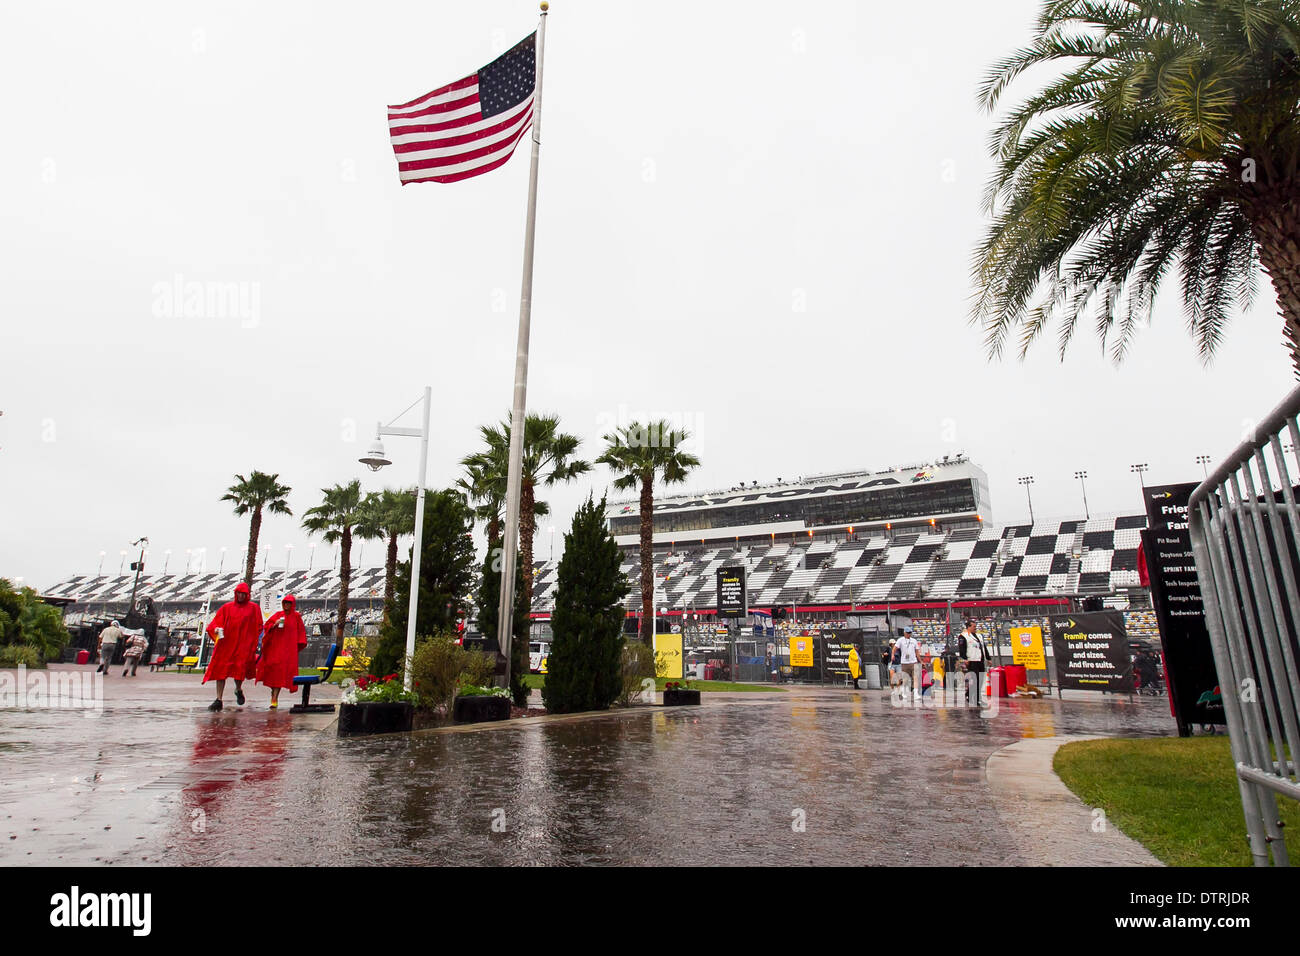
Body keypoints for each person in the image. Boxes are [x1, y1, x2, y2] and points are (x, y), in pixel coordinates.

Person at [202, 582, 264, 711]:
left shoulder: (253, 608)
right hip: (226, 645)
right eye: (239, 593)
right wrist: (216, 630)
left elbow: (258, 625)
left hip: (242, 646)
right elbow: (215, 623)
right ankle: (219, 699)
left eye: (243, 594)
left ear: (247, 595)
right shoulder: (227, 607)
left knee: (239, 671)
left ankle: (238, 689)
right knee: (221, 671)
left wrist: (250, 641)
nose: (241, 596)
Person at [256, 594, 308, 709]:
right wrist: (274, 625)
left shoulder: (296, 616)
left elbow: (301, 633)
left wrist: (296, 647)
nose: (286, 605)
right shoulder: (278, 615)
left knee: (281, 675)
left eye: (289, 603)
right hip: (275, 650)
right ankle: (274, 694)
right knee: (274, 673)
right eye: (285, 603)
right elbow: (267, 626)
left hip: (288, 651)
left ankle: (274, 697)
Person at [958, 619, 991, 706]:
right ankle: (975, 699)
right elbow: (962, 649)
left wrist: (988, 658)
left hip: (980, 660)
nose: (975, 628)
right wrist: (965, 659)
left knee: (980, 680)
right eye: (974, 626)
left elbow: (984, 648)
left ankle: (970, 695)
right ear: (968, 627)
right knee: (975, 680)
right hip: (972, 660)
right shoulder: (963, 636)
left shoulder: (979, 636)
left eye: (976, 626)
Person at [896, 627, 921, 699]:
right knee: (905, 678)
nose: (909, 634)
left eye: (910, 633)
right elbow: (895, 648)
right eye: (907, 633)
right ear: (904, 633)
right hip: (904, 662)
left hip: (913, 661)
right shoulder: (900, 640)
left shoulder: (914, 641)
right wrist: (892, 655)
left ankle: (916, 693)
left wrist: (920, 661)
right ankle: (903, 692)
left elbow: (917, 652)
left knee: (915, 677)